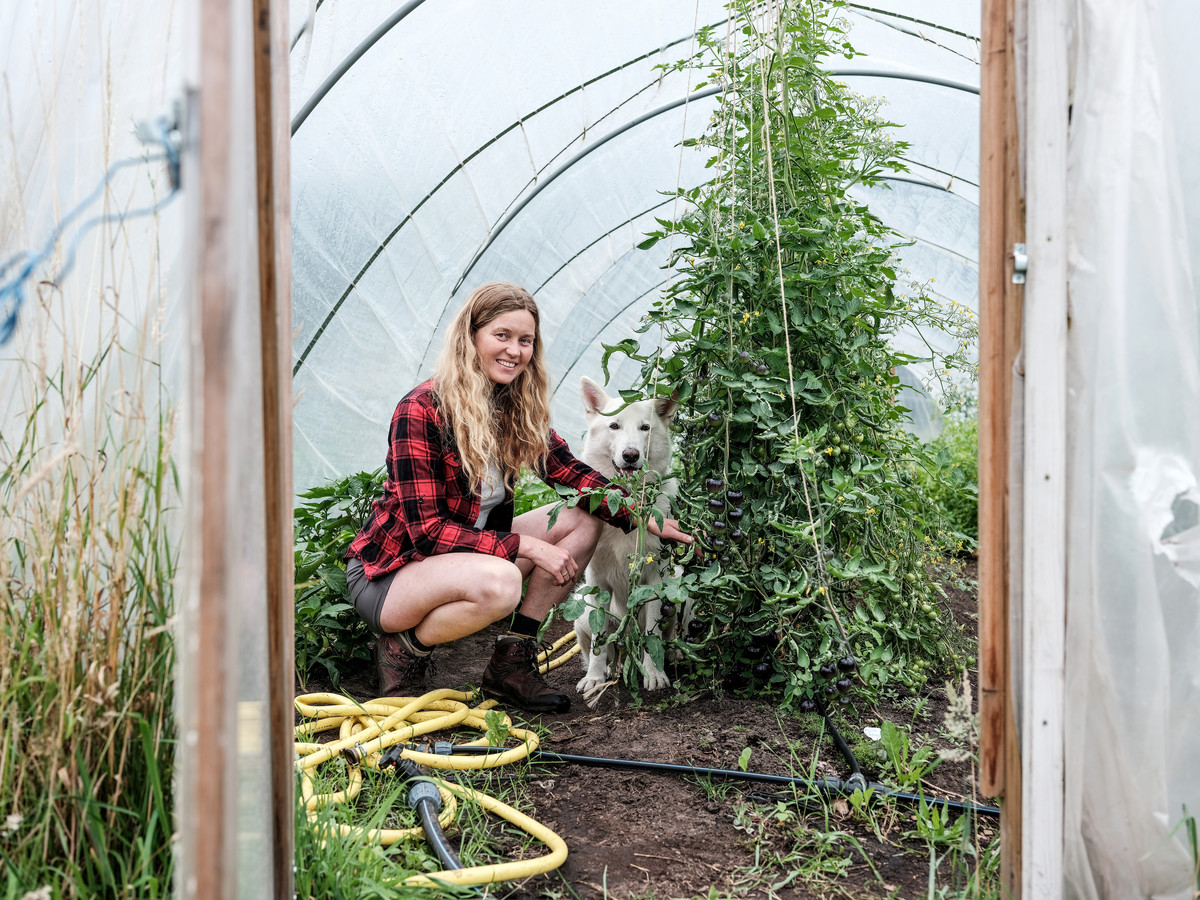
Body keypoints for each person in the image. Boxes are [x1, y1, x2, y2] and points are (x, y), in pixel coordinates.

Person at [344, 282, 692, 713]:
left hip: (468, 554)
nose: (514, 350)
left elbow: (570, 472)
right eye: (502, 336)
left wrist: (642, 517)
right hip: (392, 576)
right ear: (471, 337)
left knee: (584, 516)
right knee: (502, 582)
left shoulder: (513, 407)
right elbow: (427, 534)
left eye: (525, 340)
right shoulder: (421, 409)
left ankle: (511, 664)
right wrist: (527, 547)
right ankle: (403, 648)